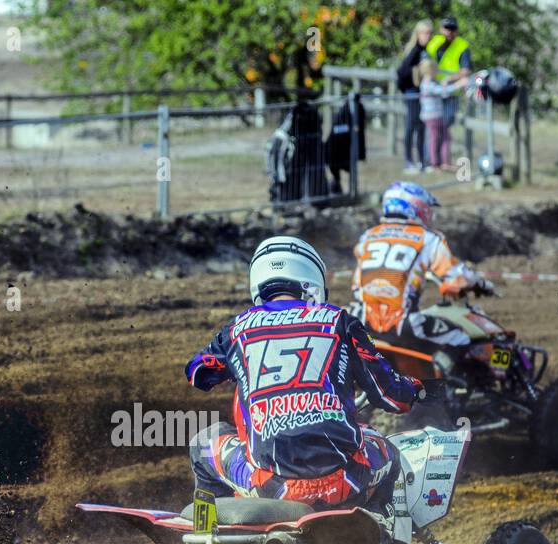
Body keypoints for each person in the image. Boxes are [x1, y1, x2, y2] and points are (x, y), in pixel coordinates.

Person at [186, 236, 427, 513]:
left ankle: (213, 534)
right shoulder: (339, 321)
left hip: (269, 487)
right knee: (384, 447)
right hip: (343, 482)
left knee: (204, 443)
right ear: (312, 279)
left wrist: (236, 366)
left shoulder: (236, 330)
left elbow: (197, 372)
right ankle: (379, 538)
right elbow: (392, 398)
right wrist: (416, 389)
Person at [350, 181, 492, 362]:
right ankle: (446, 387)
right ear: (416, 208)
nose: (429, 214)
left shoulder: (368, 237)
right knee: (460, 337)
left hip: (364, 322)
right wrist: (481, 284)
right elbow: (457, 277)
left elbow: (356, 286)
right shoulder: (428, 239)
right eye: (426, 209)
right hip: (405, 326)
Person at [396, 19, 433, 173]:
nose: (428, 36)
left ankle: (422, 162)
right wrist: (406, 89)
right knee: (411, 126)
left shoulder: (425, 50)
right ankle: (409, 161)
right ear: (418, 34)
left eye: (430, 33)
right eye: (425, 33)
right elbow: (401, 72)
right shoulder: (414, 50)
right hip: (412, 93)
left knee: (421, 126)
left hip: (421, 94)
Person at [426, 16, 473, 134]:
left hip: (451, 94)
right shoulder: (433, 42)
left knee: (445, 127)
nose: (449, 32)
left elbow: (466, 70)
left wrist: (449, 78)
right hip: (433, 92)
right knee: (432, 128)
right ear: (441, 29)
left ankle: (442, 151)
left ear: (456, 30)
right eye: (446, 28)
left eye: (452, 28)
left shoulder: (462, 46)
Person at [418, 58, 455, 172]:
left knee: (444, 138)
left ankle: (443, 162)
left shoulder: (431, 82)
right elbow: (442, 92)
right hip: (432, 116)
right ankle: (436, 163)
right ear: (431, 70)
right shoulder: (427, 83)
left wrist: (446, 83)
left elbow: (442, 93)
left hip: (436, 115)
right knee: (435, 139)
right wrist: (458, 84)